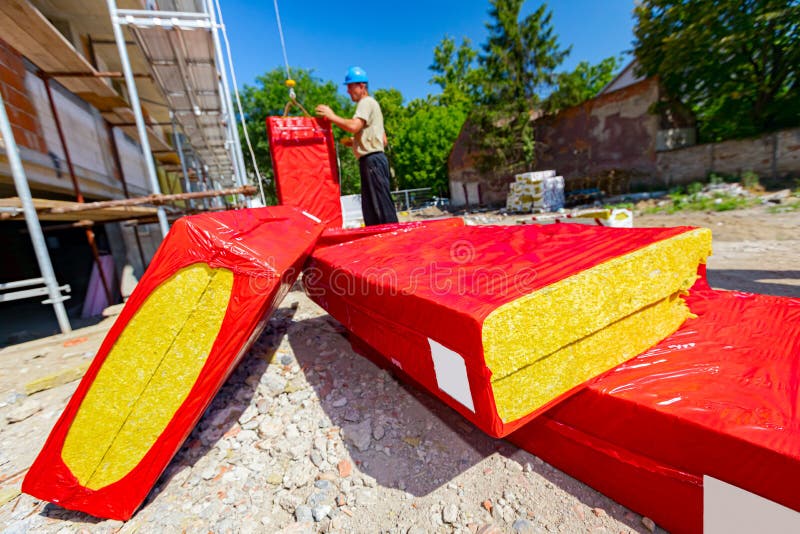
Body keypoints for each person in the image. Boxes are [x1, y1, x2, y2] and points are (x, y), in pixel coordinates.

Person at [315, 66, 399, 226]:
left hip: (372, 160)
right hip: (374, 160)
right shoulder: (374, 105)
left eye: (350, 86)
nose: (347, 91)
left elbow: (354, 126)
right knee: (374, 207)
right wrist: (356, 142)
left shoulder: (366, 102)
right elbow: (384, 140)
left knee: (379, 208)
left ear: (361, 86)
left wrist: (332, 116)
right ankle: (384, 241)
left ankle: (393, 240)